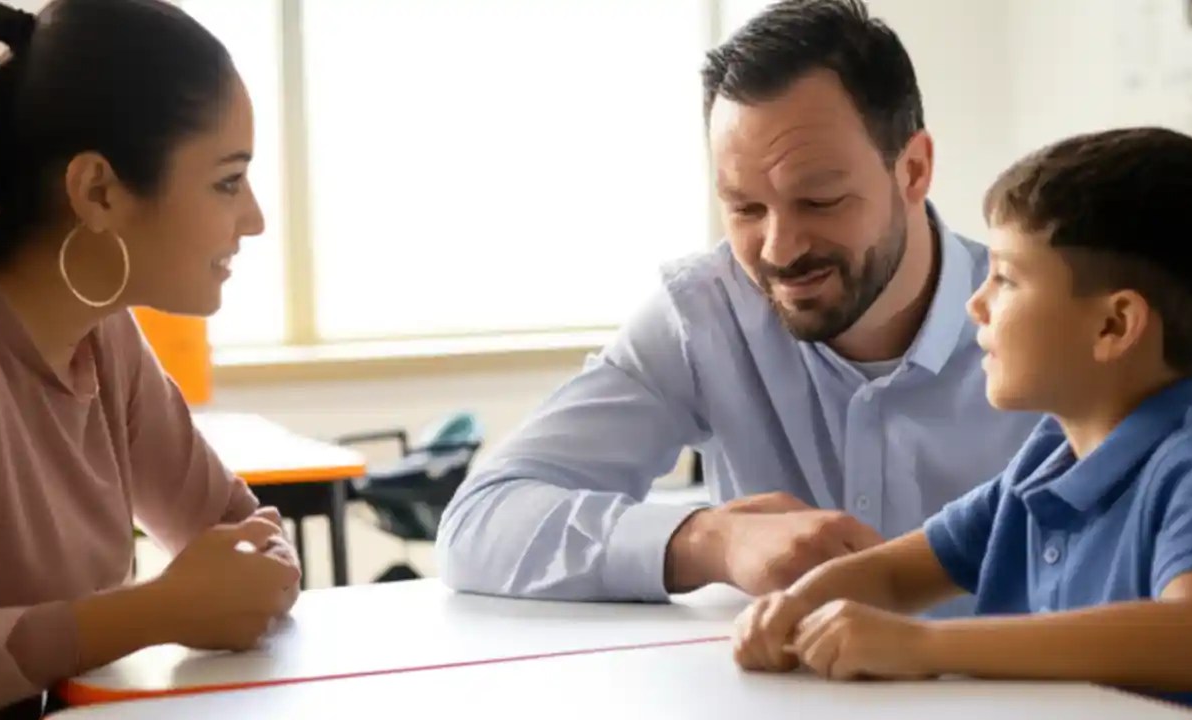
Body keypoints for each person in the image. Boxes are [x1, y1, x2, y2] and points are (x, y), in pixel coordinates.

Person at [436, 0, 1039, 604]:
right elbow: (480, 523)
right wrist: (709, 541)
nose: (780, 249)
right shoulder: (703, 315)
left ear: (912, 170)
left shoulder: (1051, 327)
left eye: (819, 201)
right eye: (745, 208)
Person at [732, 126, 1192, 713]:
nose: (975, 302)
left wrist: (926, 645)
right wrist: (795, 607)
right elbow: (894, 575)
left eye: (1005, 278)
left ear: (1113, 327)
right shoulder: (1047, 459)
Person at [0, 1, 302, 717]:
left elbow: (242, 533)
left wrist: (246, 576)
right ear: (99, 191)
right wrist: (155, 612)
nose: (254, 219)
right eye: (228, 181)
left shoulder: (107, 342)